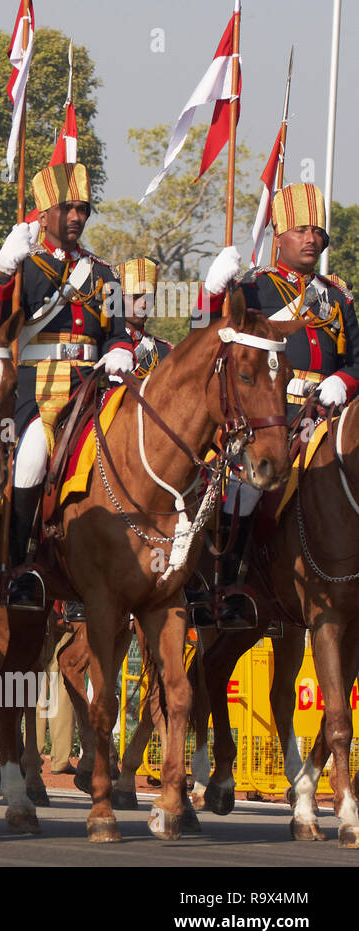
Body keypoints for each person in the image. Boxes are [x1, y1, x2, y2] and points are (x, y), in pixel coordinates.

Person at [193, 182, 359, 627]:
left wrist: (342, 382)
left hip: (328, 413)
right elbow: (207, 333)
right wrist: (212, 292)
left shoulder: (338, 298)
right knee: (247, 487)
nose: (311, 239)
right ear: (279, 236)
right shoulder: (254, 289)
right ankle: (230, 586)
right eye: (301, 230)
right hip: (269, 414)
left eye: (318, 232)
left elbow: (357, 358)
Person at [0, 162, 132, 611]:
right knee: (30, 457)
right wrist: (4, 271)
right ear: (43, 214)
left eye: (83, 209)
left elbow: (119, 330)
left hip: (92, 385)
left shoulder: (104, 274)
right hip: (35, 387)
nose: (77, 216)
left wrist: (122, 347)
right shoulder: (24, 266)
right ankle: (20, 564)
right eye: (67, 207)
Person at [116, 257, 173, 379]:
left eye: (148, 298)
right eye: (135, 297)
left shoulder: (165, 351)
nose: (143, 305)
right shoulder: (103, 345)